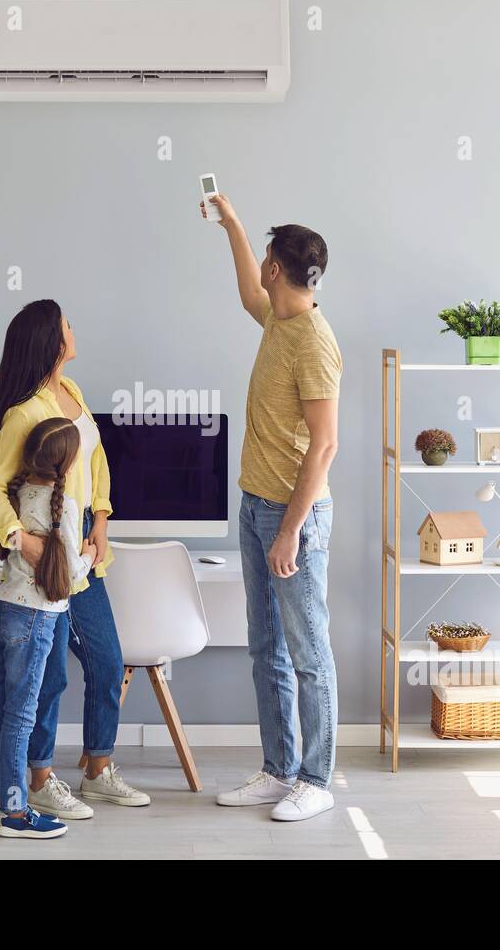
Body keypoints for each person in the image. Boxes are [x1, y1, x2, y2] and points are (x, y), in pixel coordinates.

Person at [0, 299, 151, 818]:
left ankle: (97, 770)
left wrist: (101, 520)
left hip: (86, 559)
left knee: (106, 661)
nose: (74, 330)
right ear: (53, 342)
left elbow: (96, 459)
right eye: (67, 325)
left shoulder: (71, 393)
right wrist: (24, 542)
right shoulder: (23, 414)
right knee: (48, 677)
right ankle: (39, 779)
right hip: (46, 567)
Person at [204, 192, 342, 822]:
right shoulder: (281, 320)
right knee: (266, 647)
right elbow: (246, 296)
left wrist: (290, 531)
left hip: (294, 520)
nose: (258, 264)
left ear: (278, 270)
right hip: (255, 507)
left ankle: (316, 778)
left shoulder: (313, 341)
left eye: (263, 254)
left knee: (308, 651)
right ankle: (279, 768)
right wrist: (231, 223)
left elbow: (325, 446)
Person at [0, 418, 96, 838]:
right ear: (68, 464)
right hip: (34, 617)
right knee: (21, 715)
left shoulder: (20, 496)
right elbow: (66, 576)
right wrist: (87, 554)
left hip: (4, 610)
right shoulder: (63, 506)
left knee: (4, 711)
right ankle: (15, 815)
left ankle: (1, 804)